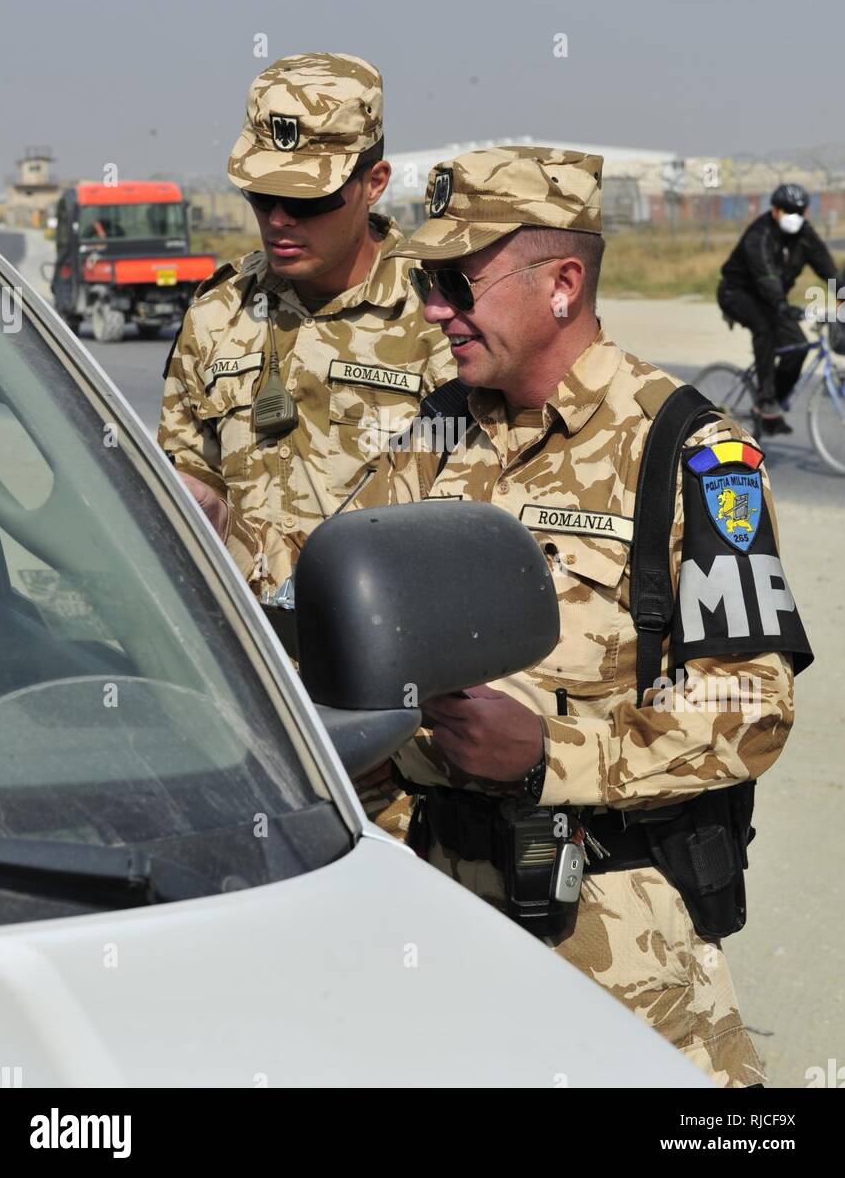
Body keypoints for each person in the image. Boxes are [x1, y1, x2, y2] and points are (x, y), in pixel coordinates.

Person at [348, 147, 812, 1086]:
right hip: (436, 909)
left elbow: (751, 707)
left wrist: (549, 756)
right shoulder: (438, 428)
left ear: (561, 283)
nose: (436, 306)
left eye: (457, 279)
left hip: (612, 944)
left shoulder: (686, 448)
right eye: (429, 279)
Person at [158, 51, 454, 836]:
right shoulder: (218, 311)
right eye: (261, 196)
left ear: (374, 181)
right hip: (243, 718)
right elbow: (193, 482)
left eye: (308, 199)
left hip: (394, 737)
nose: (279, 221)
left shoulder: (441, 315)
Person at [717, 183, 839, 434]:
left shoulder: (805, 236)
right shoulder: (759, 234)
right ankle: (765, 399)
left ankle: (771, 411)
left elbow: (827, 268)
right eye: (789, 211)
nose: (795, 217)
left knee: (798, 347)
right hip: (737, 293)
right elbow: (766, 276)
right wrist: (782, 305)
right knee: (765, 328)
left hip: (772, 300)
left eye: (800, 211)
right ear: (775, 210)